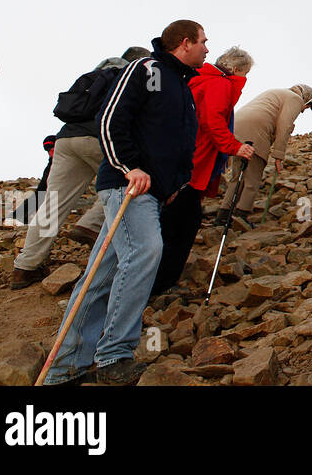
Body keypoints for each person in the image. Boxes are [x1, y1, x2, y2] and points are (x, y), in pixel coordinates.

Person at [41, 21, 205, 386]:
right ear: (184, 43)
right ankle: (114, 354)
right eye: (203, 42)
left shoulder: (182, 86)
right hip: (129, 187)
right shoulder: (146, 69)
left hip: (153, 192)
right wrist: (130, 166)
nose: (207, 49)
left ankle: (65, 367)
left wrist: (176, 183)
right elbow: (110, 119)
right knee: (146, 251)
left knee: (99, 276)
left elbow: (178, 142)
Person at [10, 49, 147, 289]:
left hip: (66, 140)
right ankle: (90, 225)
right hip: (99, 139)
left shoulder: (98, 73)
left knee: (53, 203)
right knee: (123, 186)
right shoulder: (131, 76)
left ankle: (25, 267)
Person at [150, 46, 254, 297]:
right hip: (193, 165)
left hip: (180, 160)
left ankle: (152, 278)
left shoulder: (199, 79)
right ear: (237, 69)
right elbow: (212, 121)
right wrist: (234, 147)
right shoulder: (220, 84)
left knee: (171, 221)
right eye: (246, 73)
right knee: (182, 225)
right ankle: (159, 283)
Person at [223, 84, 312, 220]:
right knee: (253, 179)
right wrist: (278, 156)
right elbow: (284, 126)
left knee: (237, 176)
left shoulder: (278, 92)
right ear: (307, 99)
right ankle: (241, 216)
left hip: (237, 127)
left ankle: (223, 215)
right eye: (307, 107)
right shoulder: (296, 99)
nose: (303, 111)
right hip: (256, 130)